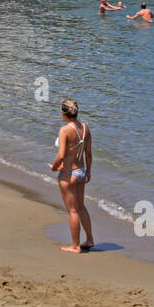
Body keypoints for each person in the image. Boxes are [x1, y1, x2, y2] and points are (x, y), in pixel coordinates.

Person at [49, 99, 94, 253]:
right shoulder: (86, 128)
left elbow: (61, 155)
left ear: (63, 114)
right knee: (81, 207)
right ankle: (89, 239)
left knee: (72, 211)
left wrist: (54, 167)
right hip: (81, 171)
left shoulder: (64, 130)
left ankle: (75, 245)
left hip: (68, 174)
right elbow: (89, 154)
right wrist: (88, 171)